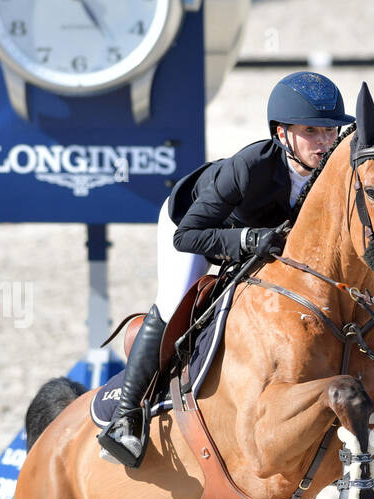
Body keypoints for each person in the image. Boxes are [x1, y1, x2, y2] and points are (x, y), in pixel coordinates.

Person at [97, 71, 354, 468]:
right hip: (194, 224)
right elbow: (188, 237)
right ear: (282, 134)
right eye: (312, 131)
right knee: (174, 301)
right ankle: (126, 417)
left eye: (330, 131)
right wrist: (248, 241)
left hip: (259, 237)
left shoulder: (332, 169)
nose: (325, 142)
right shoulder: (248, 168)